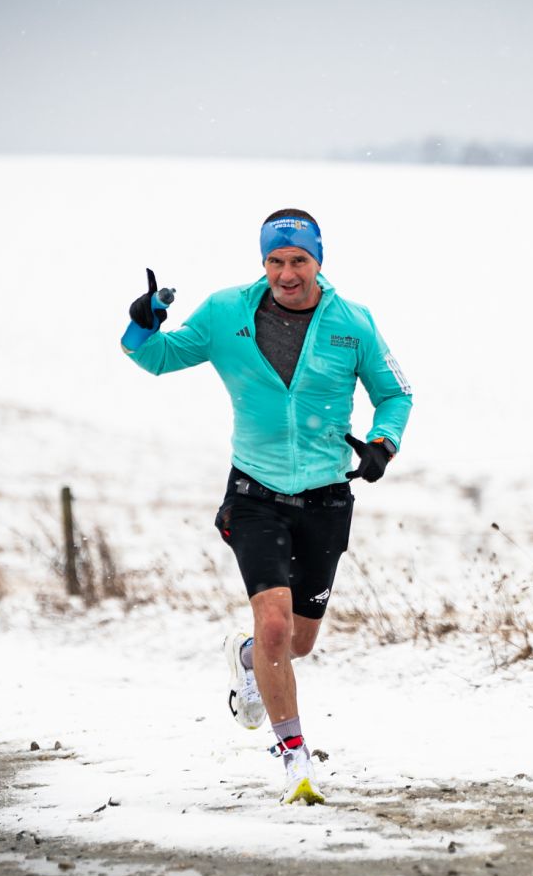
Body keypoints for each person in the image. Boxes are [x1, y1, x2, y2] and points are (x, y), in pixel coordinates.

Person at [120, 209, 413, 804]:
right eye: (275, 261)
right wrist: (142, 327)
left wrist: (383, 445)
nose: (286, 273)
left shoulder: (353, 324)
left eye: (298, 261)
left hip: (326, 499)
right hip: (254, 494)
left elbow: (395, 393)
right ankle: (295, 759)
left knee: (295, 643)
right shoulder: (227, 313)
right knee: (275, 622)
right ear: (263, 263)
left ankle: (248, 656)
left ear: (318, 262)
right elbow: (158, 358)